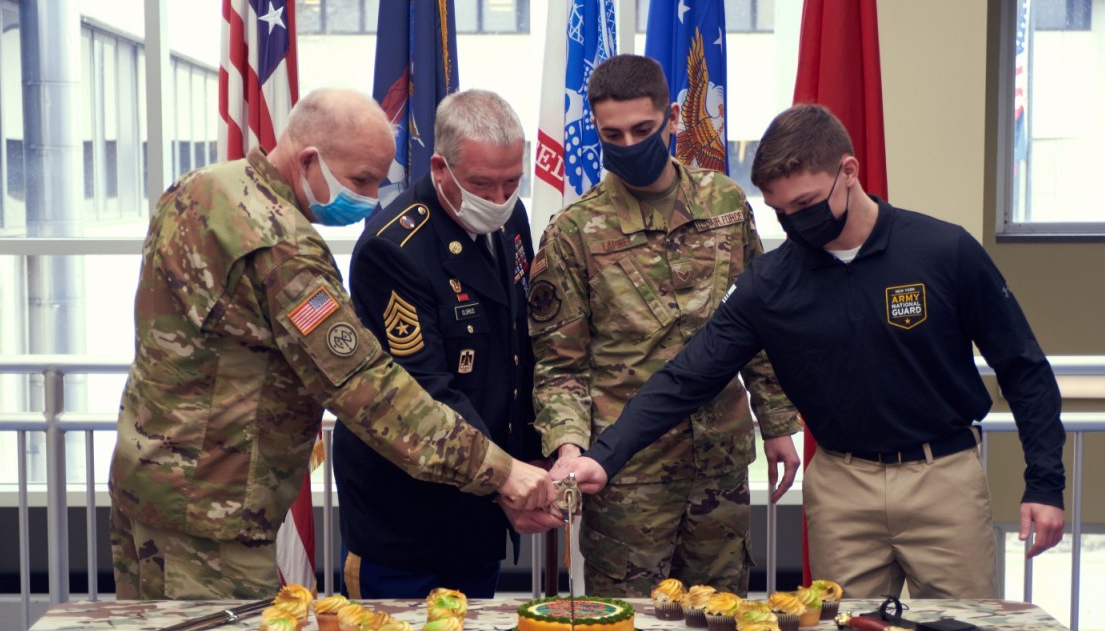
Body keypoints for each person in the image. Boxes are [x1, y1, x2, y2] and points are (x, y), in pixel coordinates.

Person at [564, 103, 1066, 600]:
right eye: (780, 212)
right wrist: (604, 458)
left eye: (804, 206)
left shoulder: (942, 251)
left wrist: (1044, 483)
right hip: (842, 486)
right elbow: (688, 376)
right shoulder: (771, 284)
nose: (793, 223)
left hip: (943, 477)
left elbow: (1022, 367)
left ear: (848, 171)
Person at [108, 88, 555, 602]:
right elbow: (367, 387)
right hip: (211, 509)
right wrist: (499, 471)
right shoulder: (283, 245)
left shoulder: (199, 188)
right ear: (308, 160)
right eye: (361, 179)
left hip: (149, 480)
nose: (368, 197)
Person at [528, 54, 801, 598]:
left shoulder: (725, 203)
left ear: (673, 118)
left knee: (719, 627)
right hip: (629, 476)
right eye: (612, 134)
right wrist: (567, 447)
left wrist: (775, 421)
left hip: (719, 462)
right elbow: (560, 366)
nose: (628, 144)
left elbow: (757, 324)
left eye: (642, 129)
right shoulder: (574, 232)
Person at [334, 90, 560, 599]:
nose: (499, 198)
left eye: (511, 181)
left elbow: (517, 353)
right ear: (440, 167)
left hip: (481, 512)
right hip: (406, 518)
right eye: (482, 183)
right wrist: (509, 481)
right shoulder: (393, 250)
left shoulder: (511, 221)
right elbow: (425, 389)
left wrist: (534, 461)